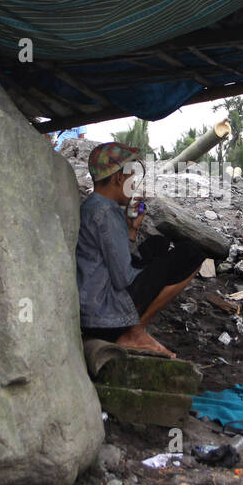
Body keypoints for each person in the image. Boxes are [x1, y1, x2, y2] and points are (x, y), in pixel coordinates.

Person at [76, 142, 204, 359]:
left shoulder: (96, 207)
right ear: (118, 179)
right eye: (131, 178)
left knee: (157, 245)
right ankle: (134, 332)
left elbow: (113, 257)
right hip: (103, 317)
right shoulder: (105, 213)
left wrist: (131, 227)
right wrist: (156, 271)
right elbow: (123, 278)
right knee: (192, 254)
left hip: (93, 310)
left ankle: (132, 328)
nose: (134, 184)